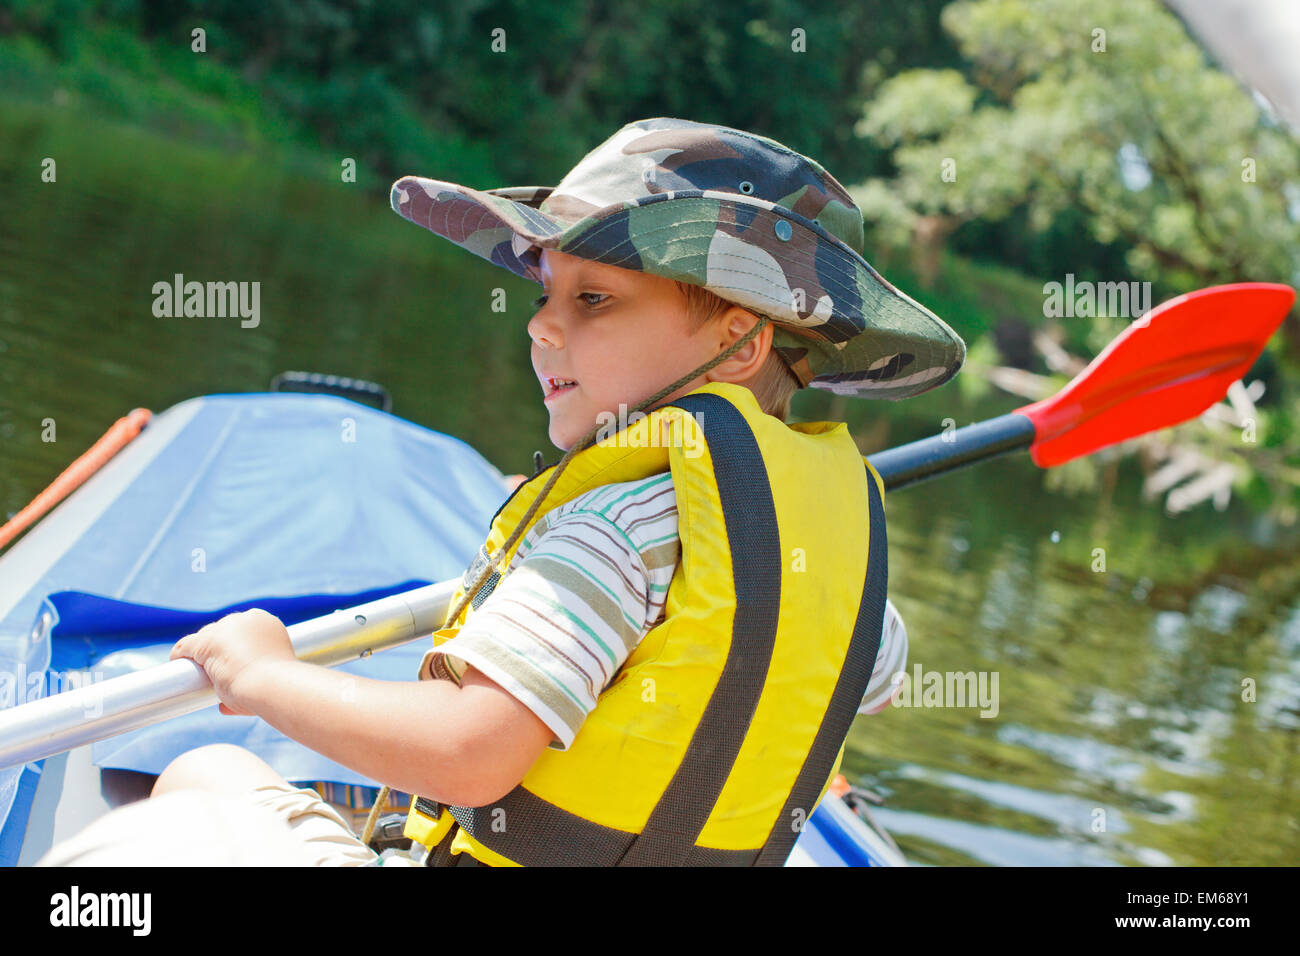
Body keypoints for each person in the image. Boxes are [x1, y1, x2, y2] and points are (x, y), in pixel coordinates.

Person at [38, 117, 964, 867]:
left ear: (741, 337)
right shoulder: (842, 563)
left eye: (593, 300)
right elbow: (862, 671)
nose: (542, 329)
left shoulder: (609, 528)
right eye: (543, 294)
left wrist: (264, 674)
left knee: (207, 771)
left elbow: (467, 753)